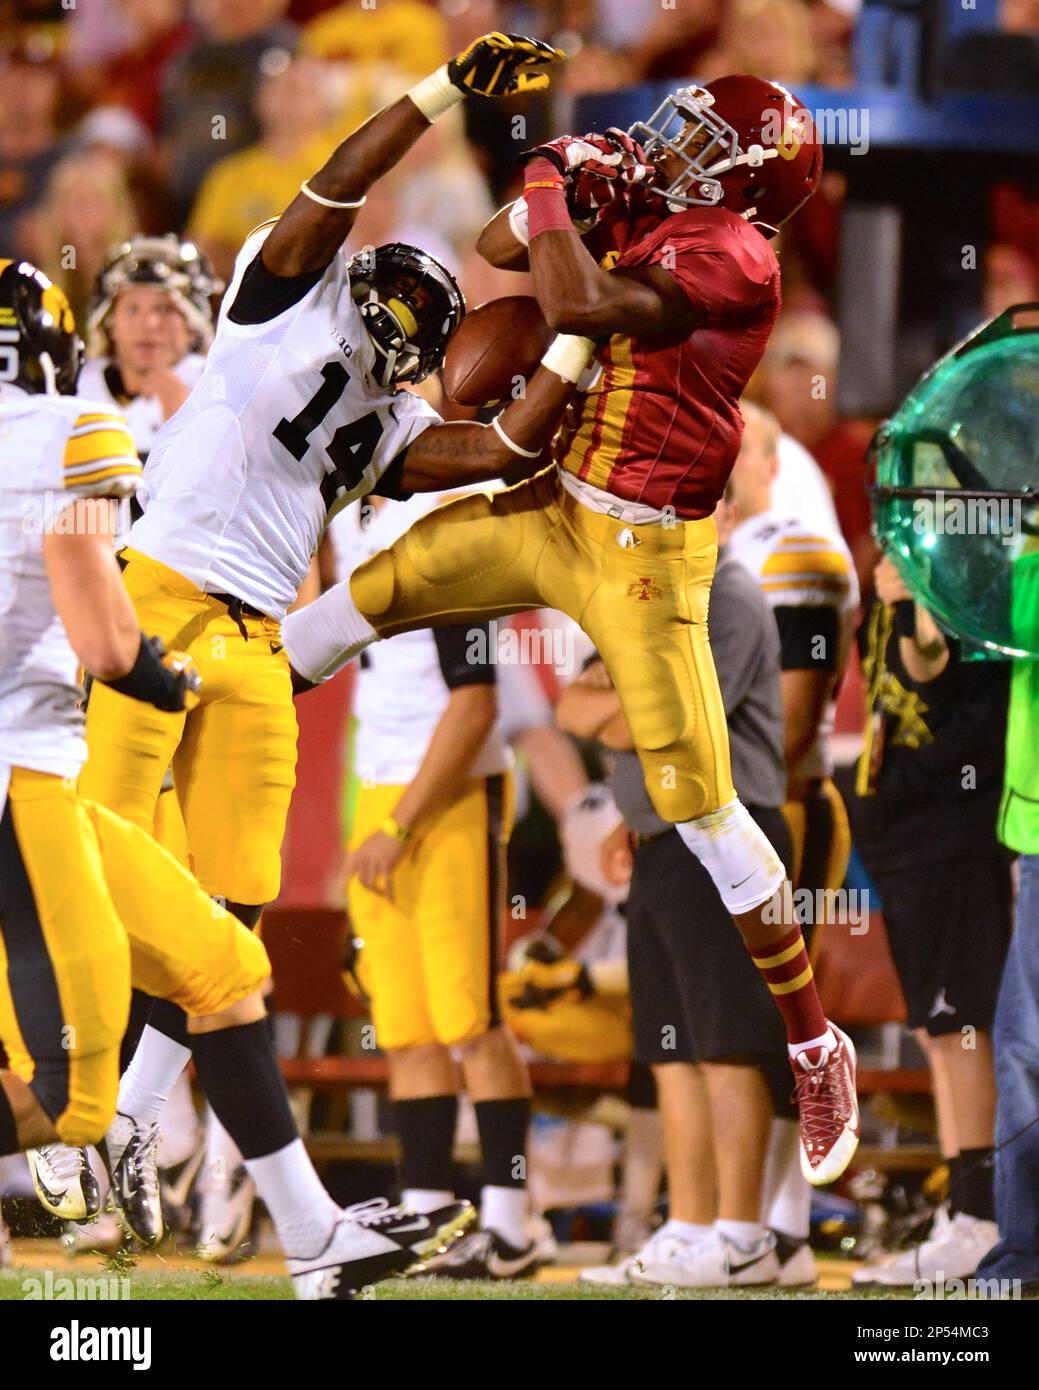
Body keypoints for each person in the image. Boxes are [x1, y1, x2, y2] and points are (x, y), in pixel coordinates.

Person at [282, 76, 861, 1186]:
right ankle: (212, 682)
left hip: (646, 559)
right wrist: (573, 183)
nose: (671, 142)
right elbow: (504, 247)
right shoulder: (653, 196)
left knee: (698, 799)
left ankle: (809, 1036)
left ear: (745, 174)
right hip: (556, 501)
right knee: (384, 584)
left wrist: (555, 179)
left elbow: (586, 305)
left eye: (700, 136)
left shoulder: (740, 256)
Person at [72, 31, 573, 1248]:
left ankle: (129, 1123)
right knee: (91, 866)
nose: (386, 324)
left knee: (231, 912)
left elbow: (506, 452)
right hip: (154, 593)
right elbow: (335, 183)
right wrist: (439, 90)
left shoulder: (394, 420)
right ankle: (73, 1106)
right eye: (386, 299)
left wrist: (582, 336)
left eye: (410, 319)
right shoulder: (270, 294)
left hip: (255, 642)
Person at [0, 259, 470, 1299]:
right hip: (28, 788)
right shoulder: (65, 437)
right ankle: (288, 1224)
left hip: (42, 776)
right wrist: (153, 674)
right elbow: (104, 632)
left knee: (207, 972)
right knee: (78, 1078)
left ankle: (310, 1237)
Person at [557, 517, 815, 1289]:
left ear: (724, 512)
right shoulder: (641, 597)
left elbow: (663, 724)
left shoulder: (729, 598)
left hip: (725, 834)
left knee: (726, 1044)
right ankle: (689, 1227)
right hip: (660, 843)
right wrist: (618, 721)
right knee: (669, 1051)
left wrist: (617, 708)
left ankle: (740, 1235)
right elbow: (572, 708)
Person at [329, 484, 543, 1280]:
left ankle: (512, 1228)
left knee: (470, 1018)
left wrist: (399, 825)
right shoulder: (358, 515)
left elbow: (476, 702)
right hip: (383, 785)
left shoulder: (446, 525)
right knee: (407, 1026)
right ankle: (425, 1217)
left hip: (445, 794)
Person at [849, 555, 1011, 1286]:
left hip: (957, 830)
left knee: (961, 1024)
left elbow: (930, 673)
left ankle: (982, 1214)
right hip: (905, 836)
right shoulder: (892, 571)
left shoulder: (971, 574)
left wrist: (923, 597)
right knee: (935, 1029)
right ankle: (966, 1211)